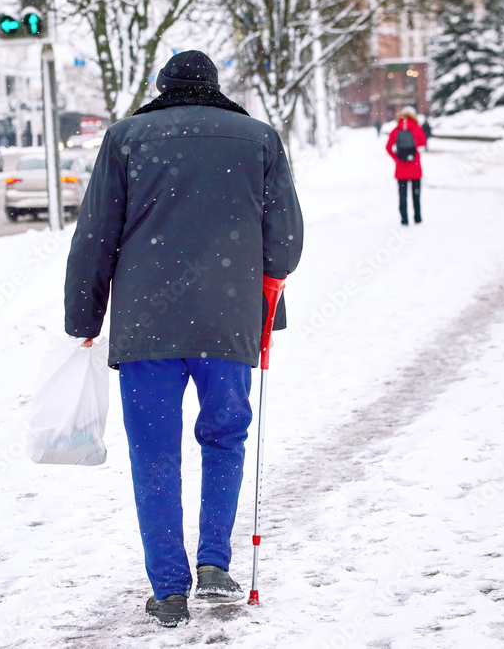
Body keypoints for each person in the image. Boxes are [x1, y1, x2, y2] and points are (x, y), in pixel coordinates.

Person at [63, 50, 303, 627]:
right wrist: (263, 300)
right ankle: (216, 564)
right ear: (214, 88)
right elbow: (286, 240)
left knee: (154, 454)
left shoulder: (125, 138)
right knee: (225, 438)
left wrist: (84, 318)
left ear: (163, 88)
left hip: (148, 327)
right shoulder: (257, 138)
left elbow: (96, 233)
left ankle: (168, 590)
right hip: (228, 321)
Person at [385, 105, 427, 225]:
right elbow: (423, 145)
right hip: (415, 168)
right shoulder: (418, 128)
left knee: (402, 196)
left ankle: (404, 219)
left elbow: (388, 147)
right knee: (416, 195)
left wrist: (397, 158)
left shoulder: (396, 130)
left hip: (401, 169)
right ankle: (417, 218)